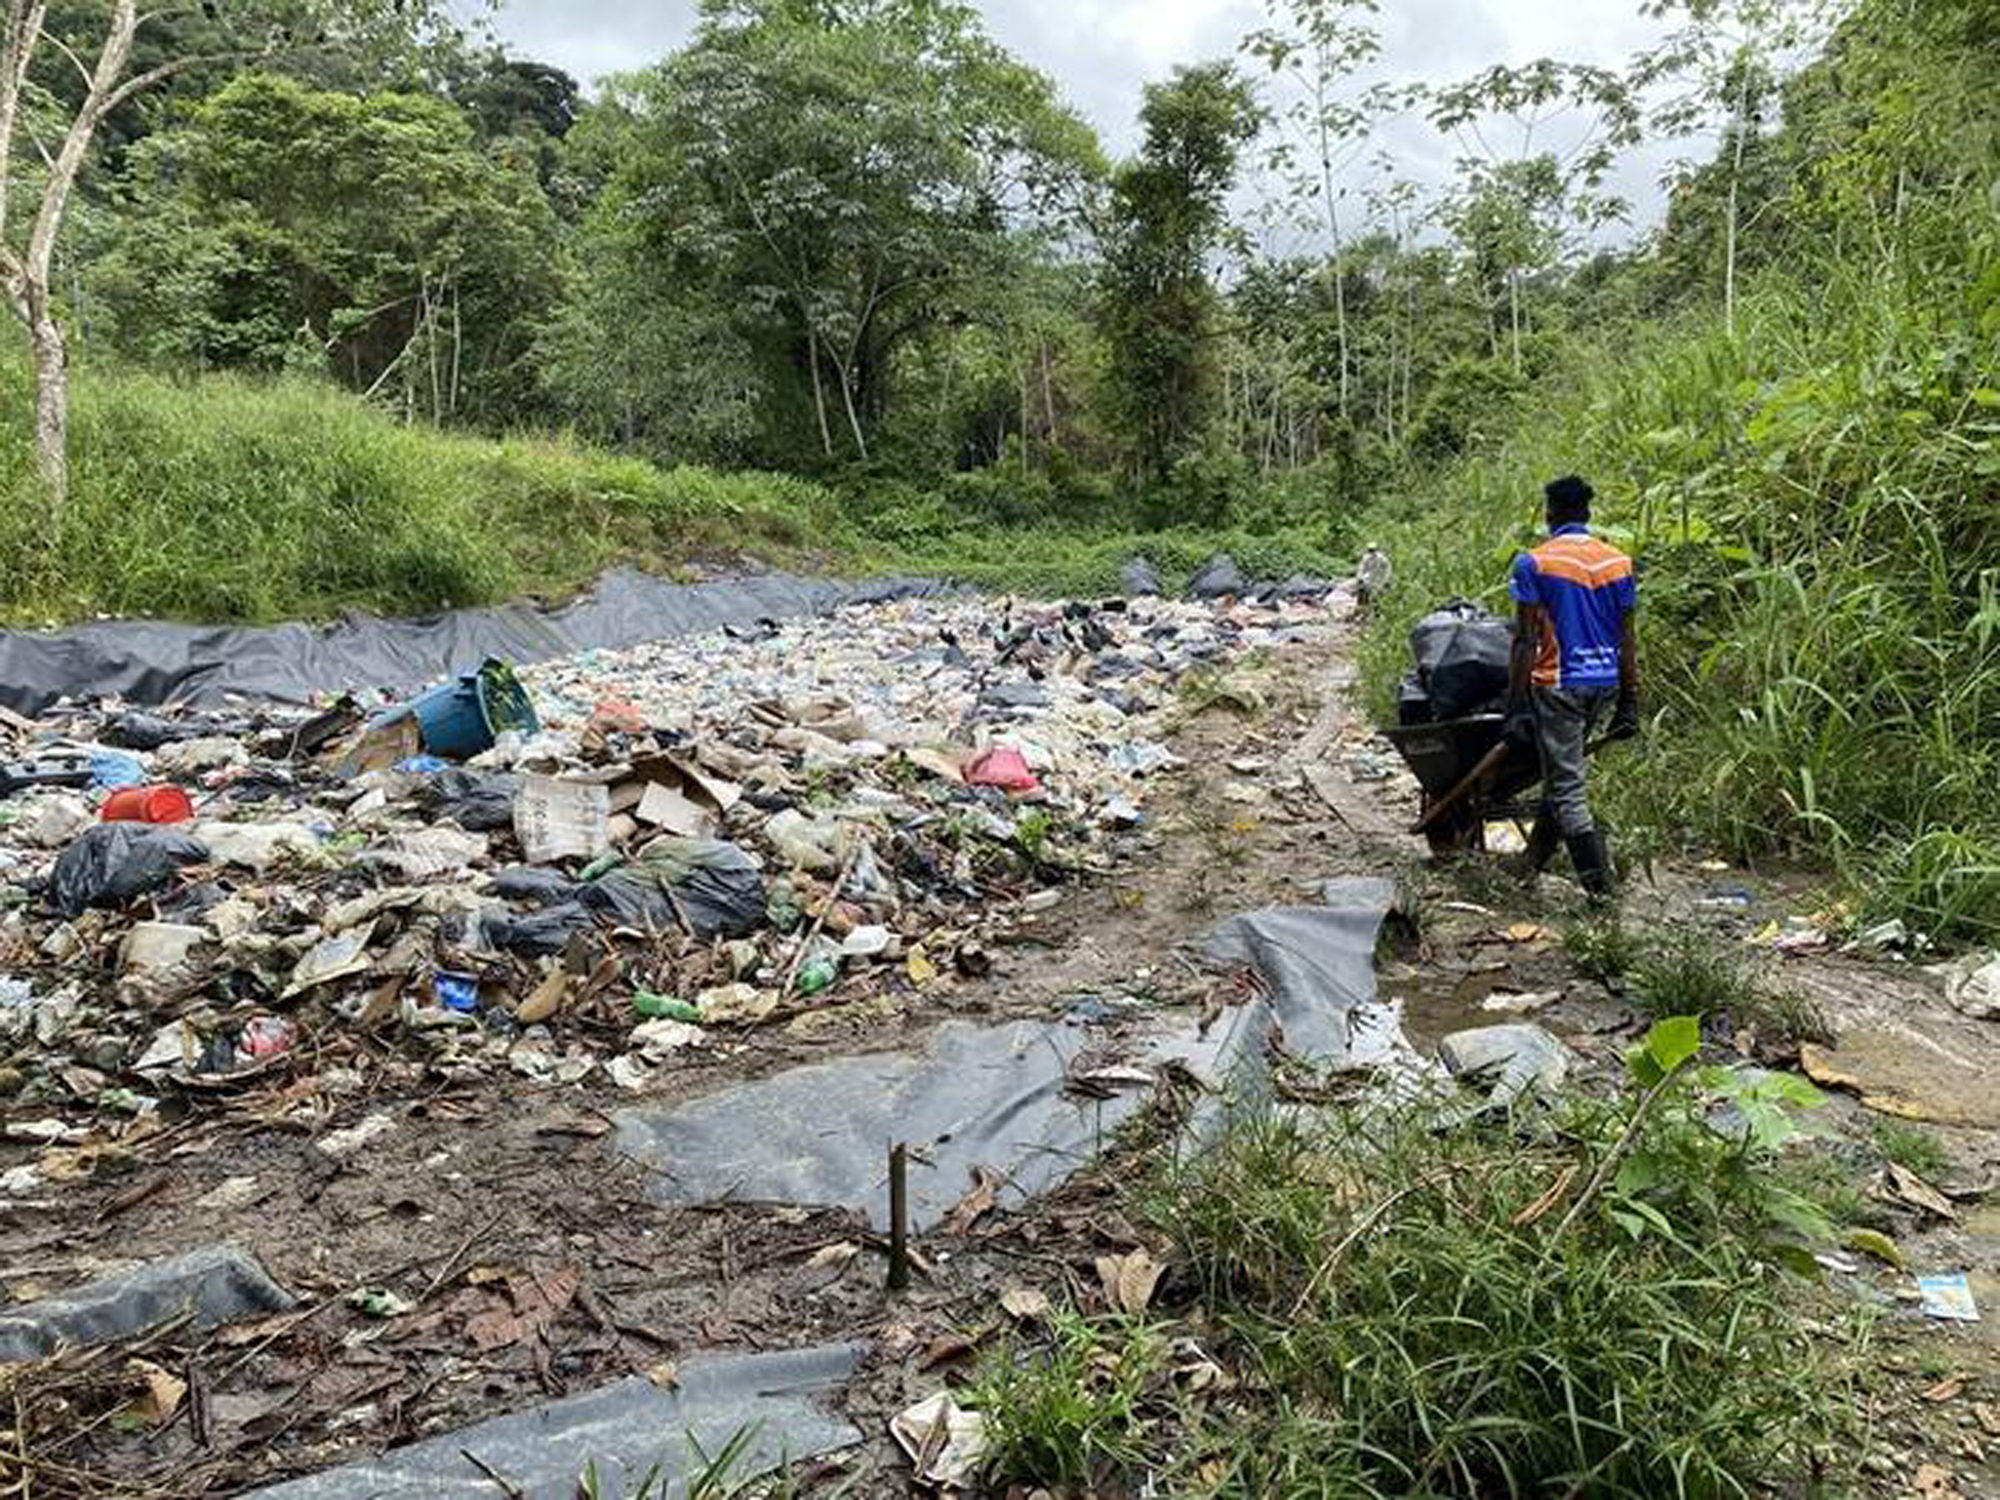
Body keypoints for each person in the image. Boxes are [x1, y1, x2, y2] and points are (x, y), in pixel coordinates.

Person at [1504, 475, 1639, 896]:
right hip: (1603, 684)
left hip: (1559, 685)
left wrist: (1515, 704)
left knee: (1567, 787)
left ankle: (1601, 896)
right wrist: (1629, 701)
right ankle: (1531, 863)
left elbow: (1526, 639)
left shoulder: (1535, 562)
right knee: (1562, 772)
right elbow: (1627, 638)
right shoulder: (1618, 562)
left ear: (1551, 514)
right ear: (1588, 513)